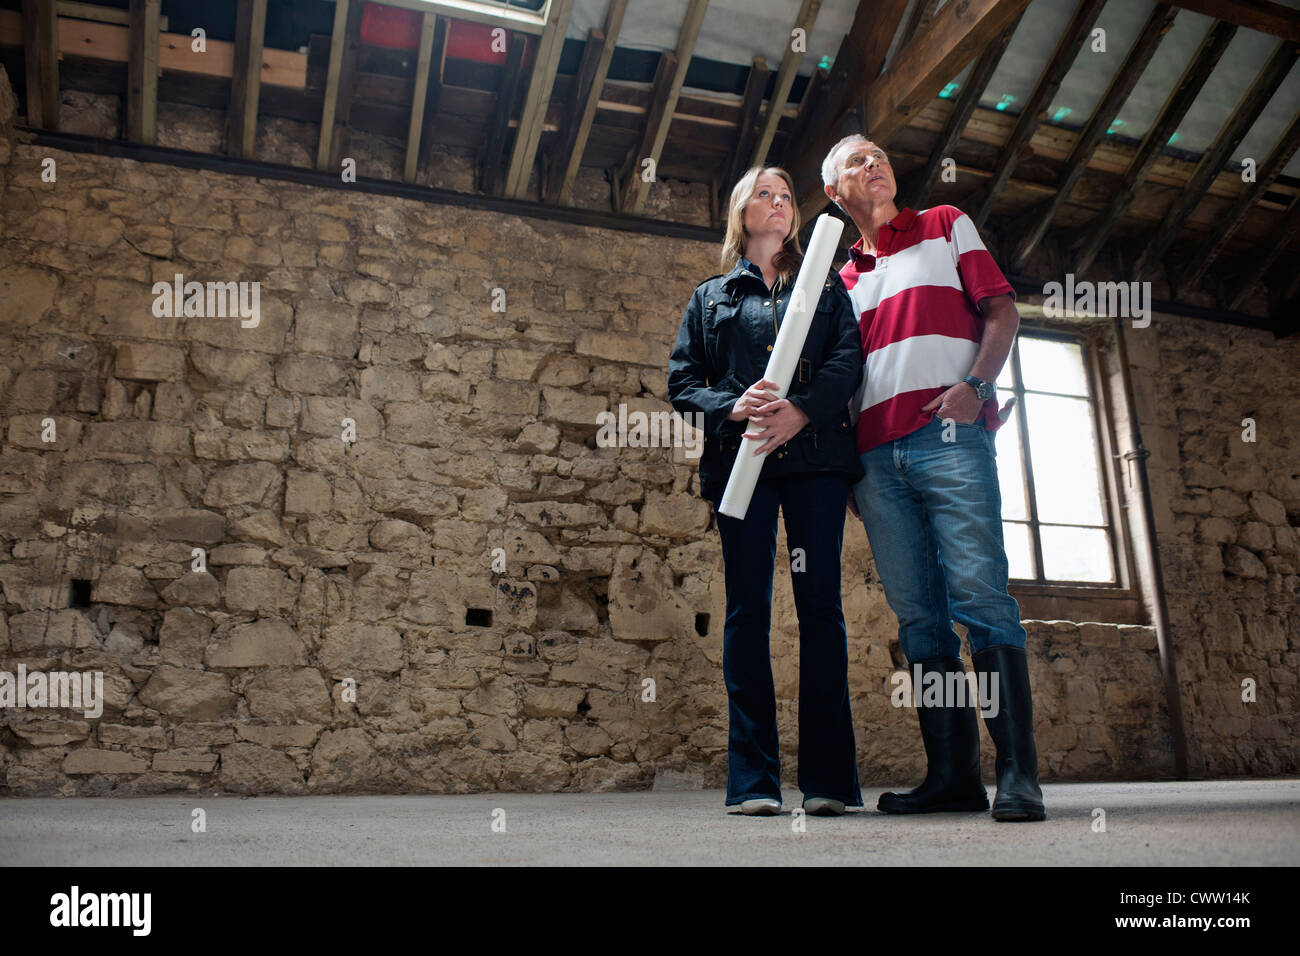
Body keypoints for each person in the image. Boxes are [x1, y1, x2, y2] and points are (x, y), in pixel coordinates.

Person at [822, 134, 1046, 821]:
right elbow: (845, 379)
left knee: (980, 595)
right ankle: (952, 776)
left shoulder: (946, 224)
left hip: (950, 436)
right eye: (856, 162)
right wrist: (852, 470)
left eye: (881, 154)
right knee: (919, 620)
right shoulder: (842, 283)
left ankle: (1018, 777)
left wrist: (977, 385)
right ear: (835, 193)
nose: (875, 164)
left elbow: (1001, 310)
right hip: (877, 464)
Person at [668, 166, 865, 816]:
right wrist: (732, 406)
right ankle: (753, 782)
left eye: (786, 196)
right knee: (746, 612)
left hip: (815, 460)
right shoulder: (711, 296)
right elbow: (682, 382)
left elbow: (846, 360)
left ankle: (831, 780)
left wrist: (801, 410)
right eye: (764, 194)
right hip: (741, 462)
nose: (778, 203)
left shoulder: (825, 287)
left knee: (821, 611)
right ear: (741, 212)